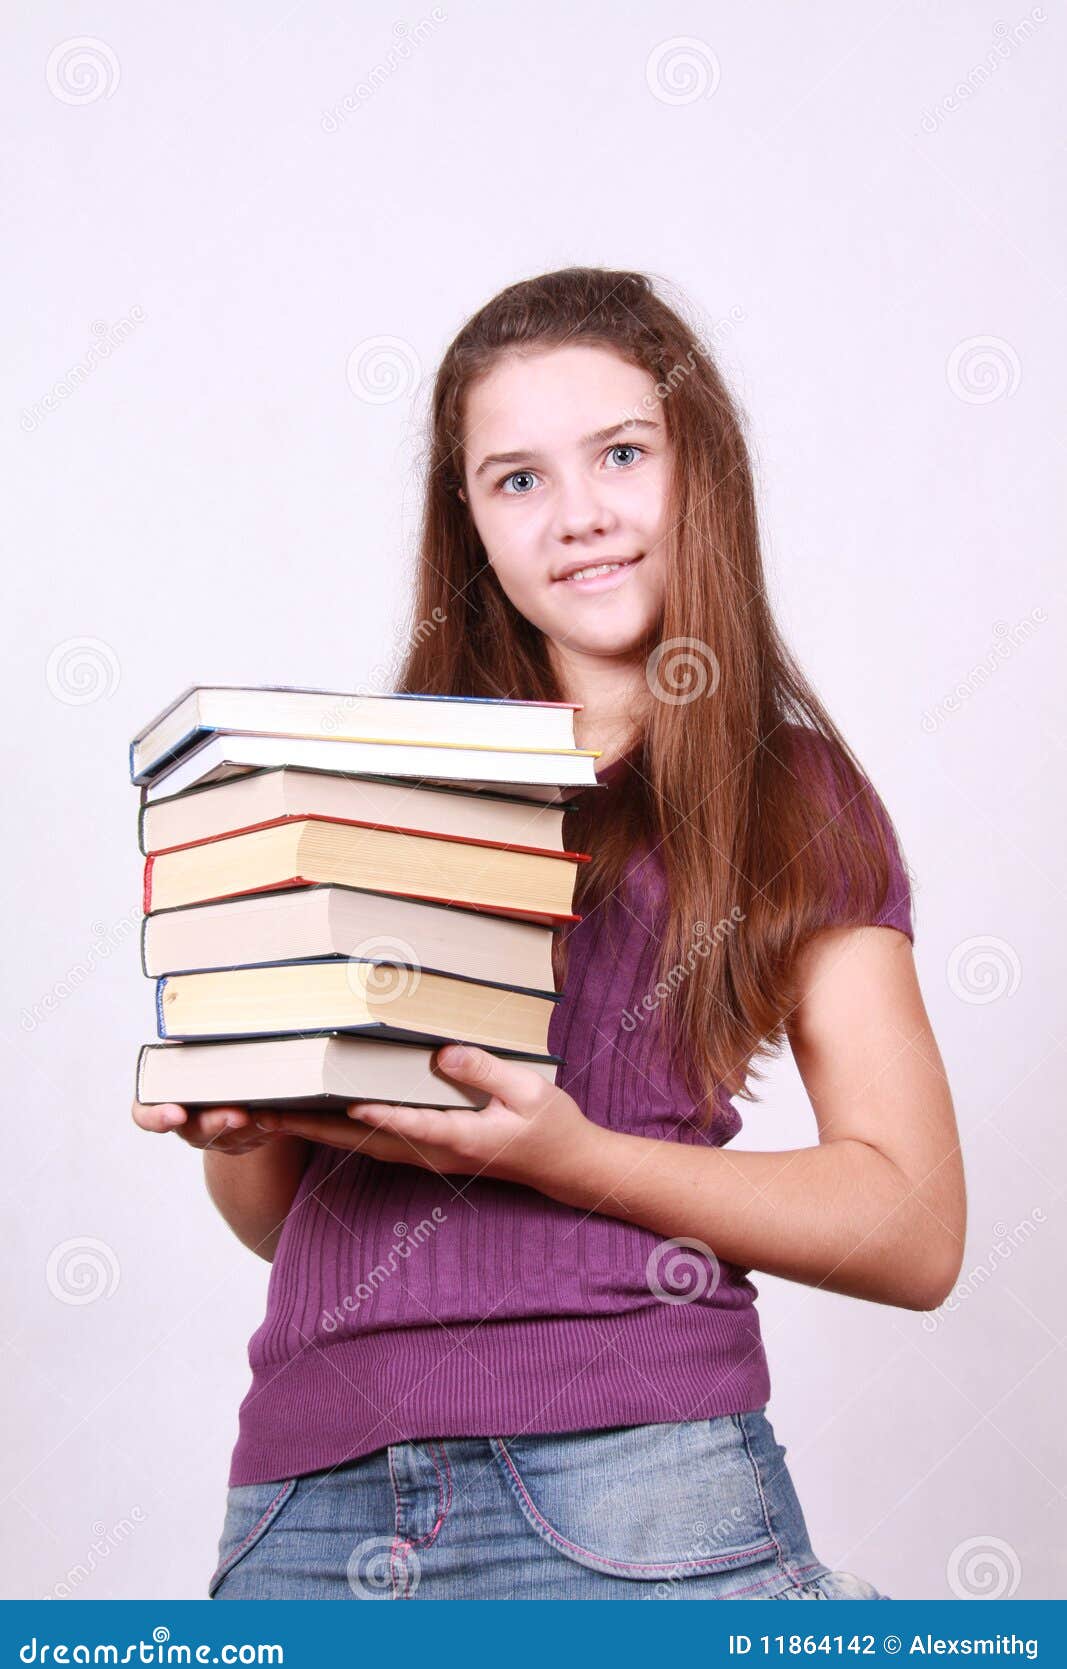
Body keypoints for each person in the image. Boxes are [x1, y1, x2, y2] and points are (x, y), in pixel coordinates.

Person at [133, 267, 965, 1600]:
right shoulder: (364, 785)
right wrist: (251, 1110)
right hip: (307, 1484)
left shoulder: (789, 794)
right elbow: (270, 1219)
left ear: (703, 470)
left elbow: (914, 1225)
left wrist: (576, 1157)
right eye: (515, 479)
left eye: (622, 454)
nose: (577, 516)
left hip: (633, 1481)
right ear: (467, 521)